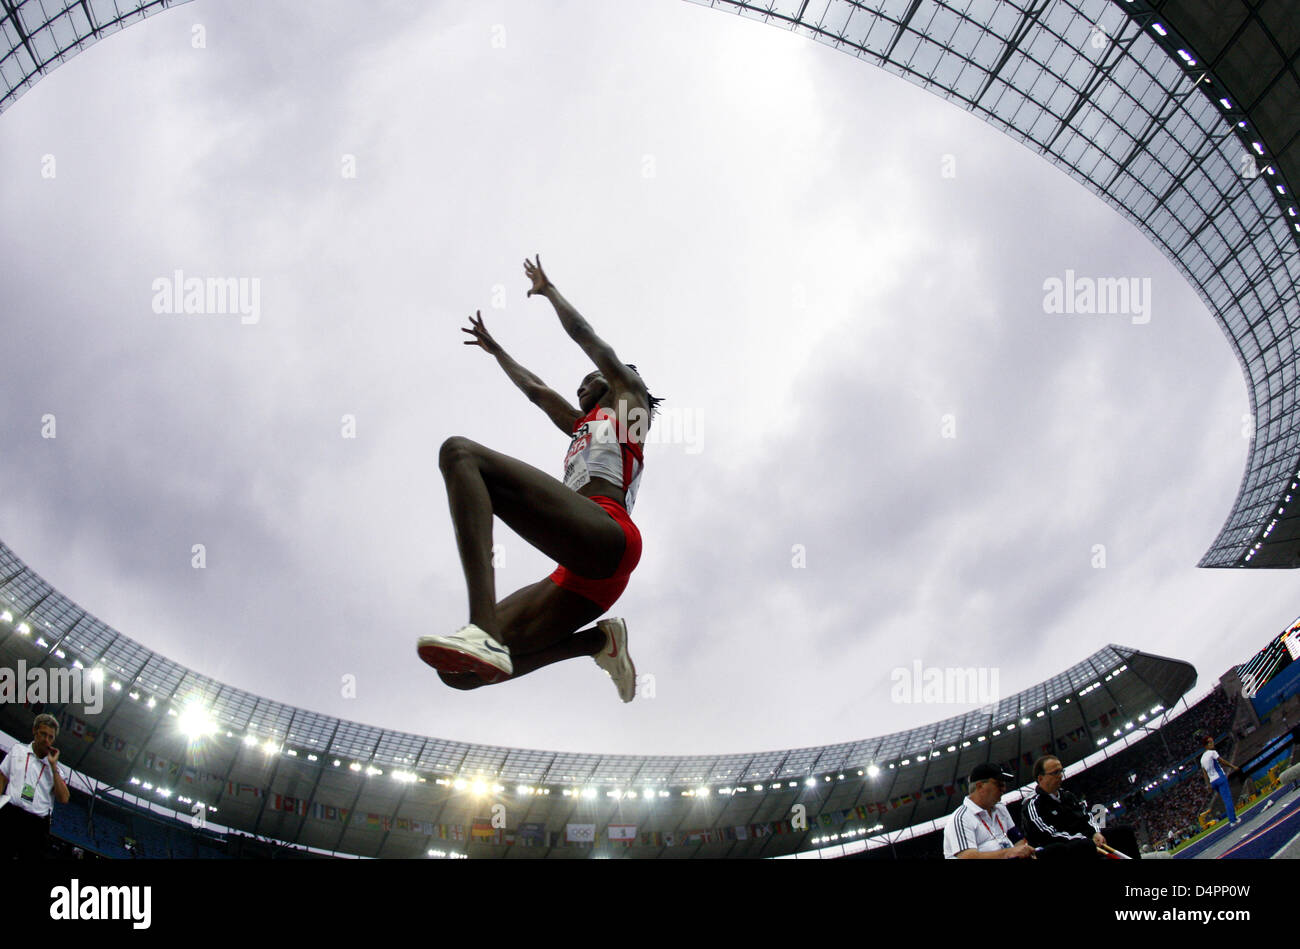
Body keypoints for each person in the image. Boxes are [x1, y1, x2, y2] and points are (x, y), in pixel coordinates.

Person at [417, 255, 663, 702]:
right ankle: (596, 642)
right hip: (578, 569)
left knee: (460, 453)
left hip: (609, 537)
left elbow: (588, 339)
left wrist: (549, 291)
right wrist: (498, 352)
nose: (580, 388)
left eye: (589, 381)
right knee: (458, 674)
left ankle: (482, 628)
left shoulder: (631, 407)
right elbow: (536, 391)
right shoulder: (579, 425)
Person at [1021, 755, 1139, 858]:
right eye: (1055, 772)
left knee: (1124, 832)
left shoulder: (1068, 796)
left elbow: (1087, 817)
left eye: (1061, 771)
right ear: (1040, 778)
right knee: (1084, 846)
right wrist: (1083, 839)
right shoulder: (1033, 805)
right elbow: (1049, 834)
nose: (1060, 776)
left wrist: (1095, 833)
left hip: (1084, 841)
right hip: (1058, 849)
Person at [0, 714, 72, 859]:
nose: (46, 739)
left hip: (36, 825)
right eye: (43, 734)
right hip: (10, 815)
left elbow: (64, 798)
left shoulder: (56, 769)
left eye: (50, 737)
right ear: (34, 731)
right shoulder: (17, 751)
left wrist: (52, 766)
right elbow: (2, 777)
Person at [943, 764, 1035, 859]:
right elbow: (967, 857)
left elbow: (1017, 839)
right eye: (999, 784)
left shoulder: (1000, 808)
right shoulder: (960, 819)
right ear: (980, 786)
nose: (1004, 789)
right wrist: (1008, 853)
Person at [1200, 735, 1240, 826]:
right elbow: (1222, 762)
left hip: (1213, 782)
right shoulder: (1212, 752)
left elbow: (1205, 773)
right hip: (1220, 778)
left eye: (1212, 742)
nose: (1212, 744)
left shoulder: (1202, 759)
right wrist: (1233, 767)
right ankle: (1233, 820)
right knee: (1228, 799)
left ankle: (1233, 818)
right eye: (1210, 742)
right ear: (1206, 745)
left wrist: (1208, 785)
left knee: (1225, 799)